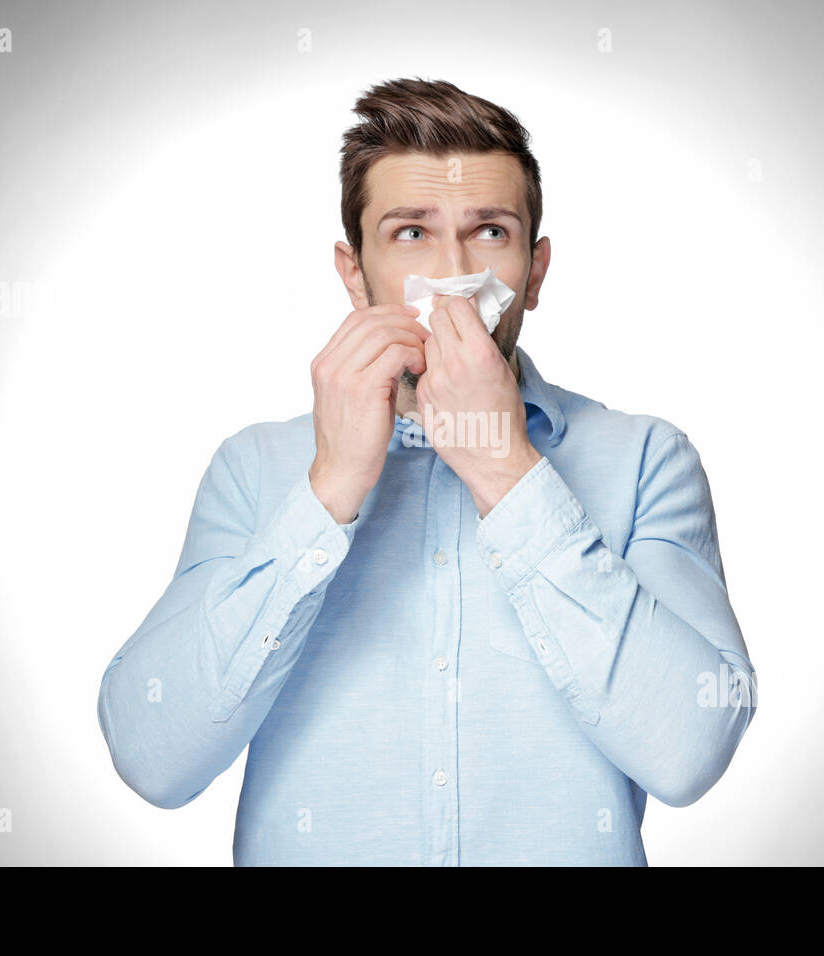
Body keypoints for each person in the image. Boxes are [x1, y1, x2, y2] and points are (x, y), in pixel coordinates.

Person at [97, 76, 758, 865]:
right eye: (411, 233)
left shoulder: (646, 460)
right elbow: (152, 756)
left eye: (490, 233)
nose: (453, 272)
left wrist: (507, 468)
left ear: (535, 272)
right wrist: (330, 487)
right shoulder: (255, 470)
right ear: (353, 272)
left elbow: (691, 749)